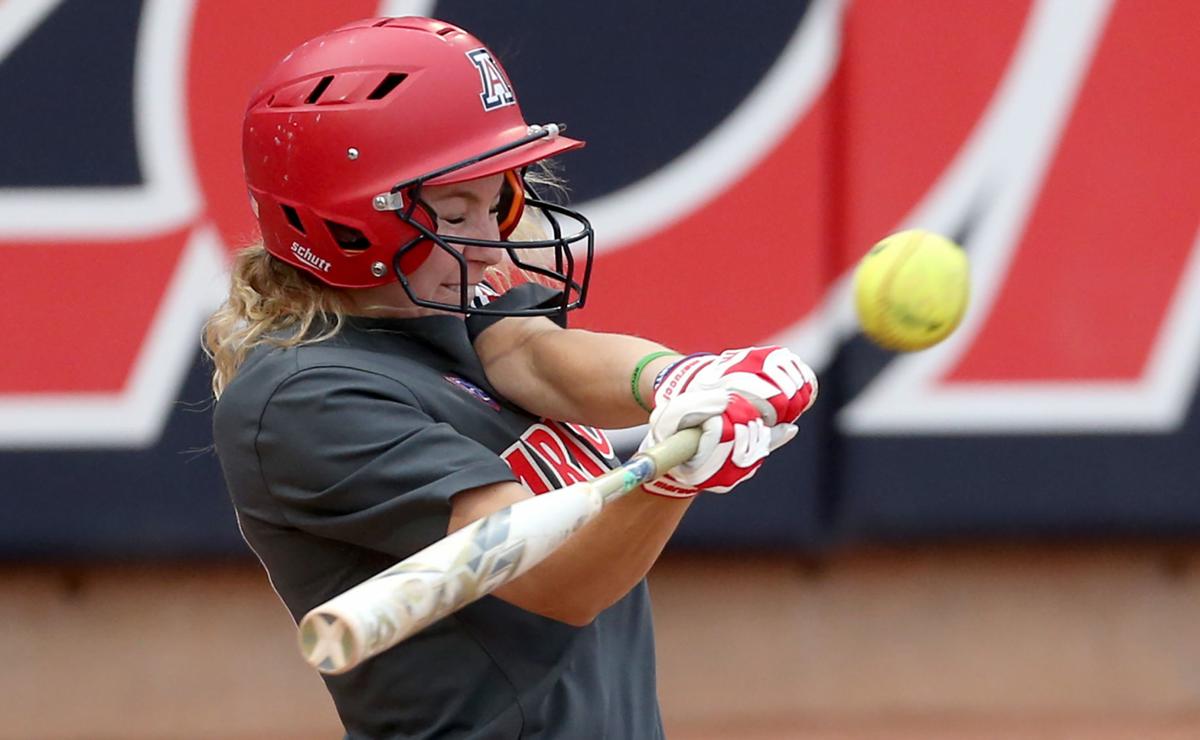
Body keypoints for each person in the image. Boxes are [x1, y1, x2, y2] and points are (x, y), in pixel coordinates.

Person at [206, 16, 817, 740]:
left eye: (497, 199)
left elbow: (536, 358)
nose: (492, 240)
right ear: (345, 226)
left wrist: (682, 380)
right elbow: (555, 580)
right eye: (457, 209)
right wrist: (671, 483)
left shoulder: (457, 298)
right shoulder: (303, 399)